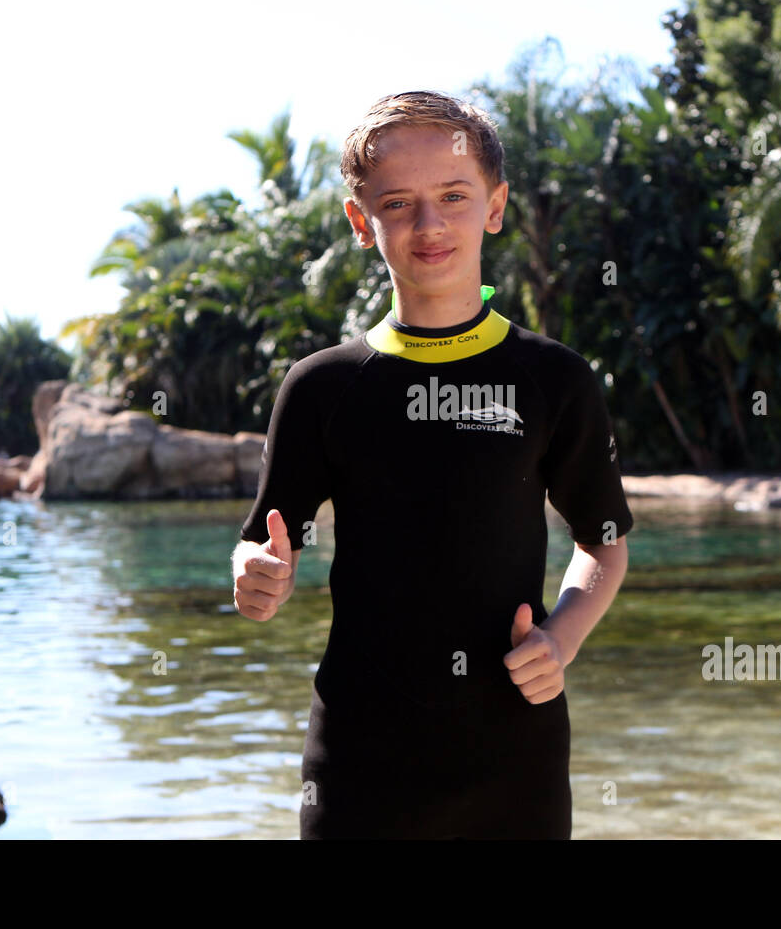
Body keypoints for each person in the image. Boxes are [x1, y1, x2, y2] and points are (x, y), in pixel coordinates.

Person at [232, 90, 632, 839]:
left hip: (516, 757)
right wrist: (257, 579)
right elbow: (263, 543)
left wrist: (563, 638)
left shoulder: (553, 379)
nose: (429, 224)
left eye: (453, 195)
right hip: (357, 762)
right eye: (398, 203)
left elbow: (603, 541)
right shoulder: (322, 387)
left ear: (495, 205)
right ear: (361, 222)